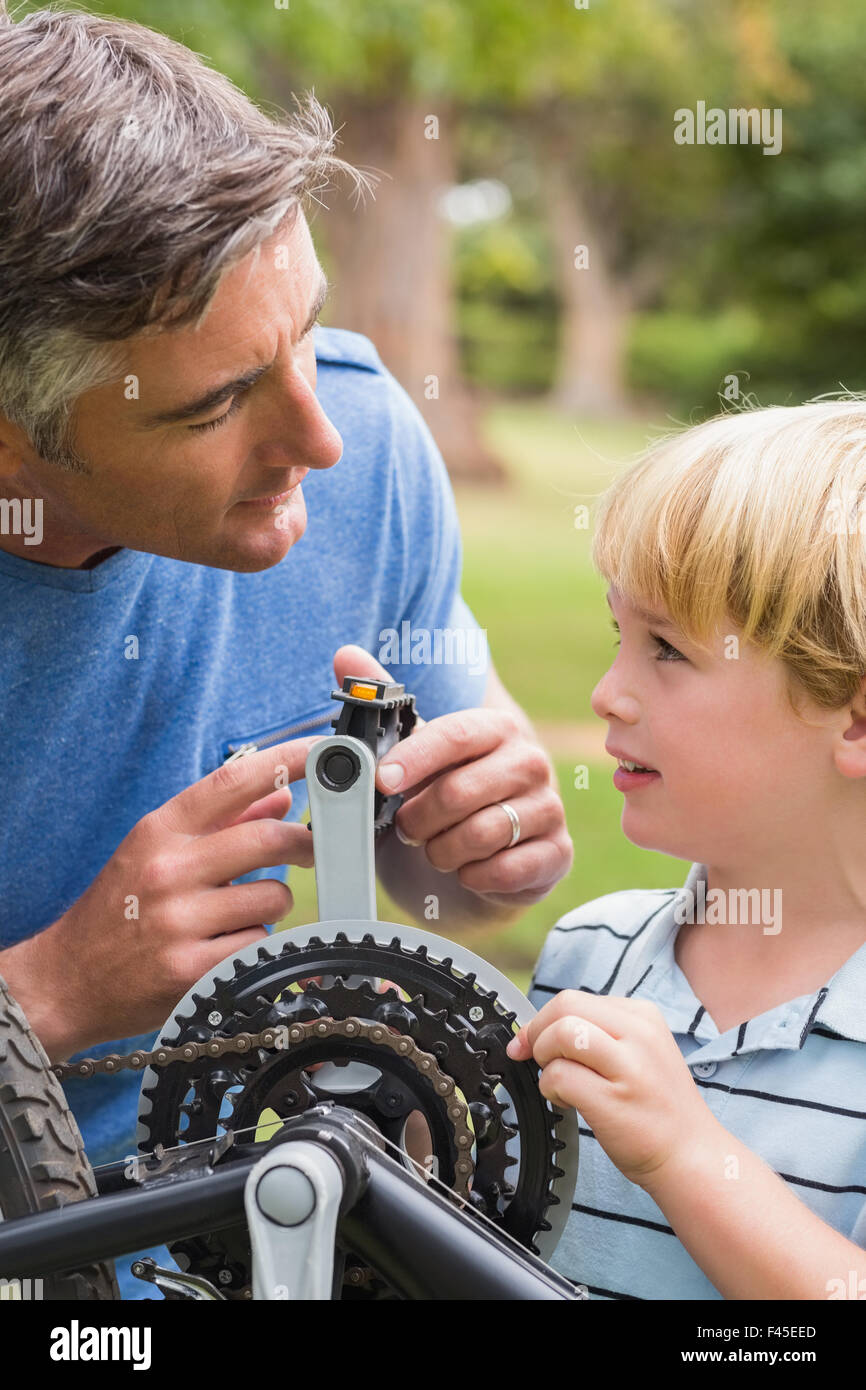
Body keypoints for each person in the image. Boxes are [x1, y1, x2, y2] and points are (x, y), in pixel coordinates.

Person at [0, 7, 573, 1297]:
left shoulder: (368, 451)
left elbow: (447, 896)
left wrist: (466, 857)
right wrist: (46, 993)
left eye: (303, 334)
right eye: (215, 403)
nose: (318, 438)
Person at [508, 398, 866, 1300]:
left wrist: (686, 1153)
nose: (606, 695)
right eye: (617, 635)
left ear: (854, 716)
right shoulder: (587, 957)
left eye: (666, 649)